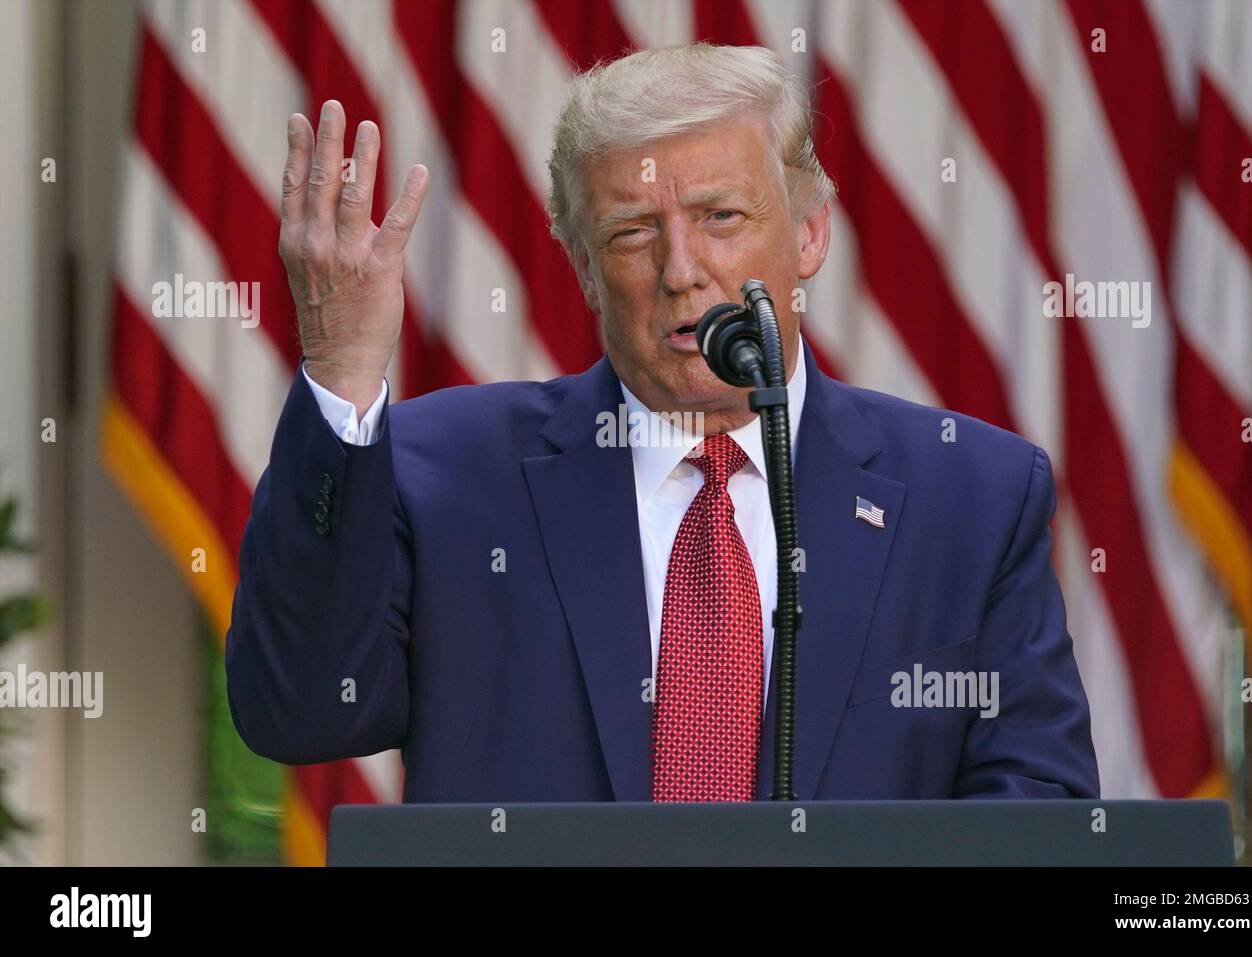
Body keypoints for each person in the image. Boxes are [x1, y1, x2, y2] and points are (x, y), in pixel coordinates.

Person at [226, 44, 1099, 802]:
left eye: (722, 216)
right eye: (633, 233)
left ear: (809, 234)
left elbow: (1039, 809)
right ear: (582, 268)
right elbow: (301, 708)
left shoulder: (973, 497)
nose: (683, 270)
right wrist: (340, 369)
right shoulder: (441, 472)